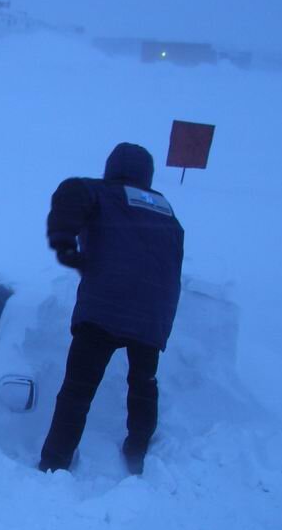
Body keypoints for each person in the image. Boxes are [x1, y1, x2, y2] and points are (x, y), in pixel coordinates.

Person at [39, 143, 184, 475]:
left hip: (105, 305)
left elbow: (71, 191)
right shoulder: (167, 210)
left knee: (78, 389)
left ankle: (54, 462)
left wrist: (64, 243)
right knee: (143, 384)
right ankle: (137, 453)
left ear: (112, 168)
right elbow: (174, 264)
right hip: (153, 314)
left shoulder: (101, 191)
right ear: (147, 174)